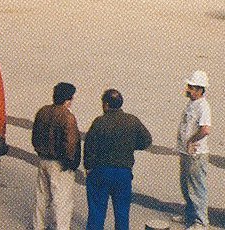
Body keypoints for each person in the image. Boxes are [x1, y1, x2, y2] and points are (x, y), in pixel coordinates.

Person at [82, 88, 152, 230]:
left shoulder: (99, 122)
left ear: (106, 104)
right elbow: (147, 140)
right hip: (123, 174)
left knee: (96, 212)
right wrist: (131, 145)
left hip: (101, 172)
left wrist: (88, 167)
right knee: (122, 213)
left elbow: (89, 146)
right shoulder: (132, 120)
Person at [32, 82, 81, 229]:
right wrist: (70, 163)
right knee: (62, 201)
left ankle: (38, 226)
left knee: (41, 197)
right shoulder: (68, 116)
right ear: (67, 100)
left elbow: (34, 137)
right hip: (59, 164)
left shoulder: (42, 111)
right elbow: (70, 143)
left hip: (43, 160)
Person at [176, 71, 212, 229]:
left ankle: (201, 222)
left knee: (196, 188)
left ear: (200, 89)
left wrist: (191, 140)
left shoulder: (203, 106)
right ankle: (190, 216)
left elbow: (205, 129)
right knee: (186, 186)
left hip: (196, 154)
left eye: (191, 87)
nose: (188, 89)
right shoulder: (192, 103)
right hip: (186, 152)